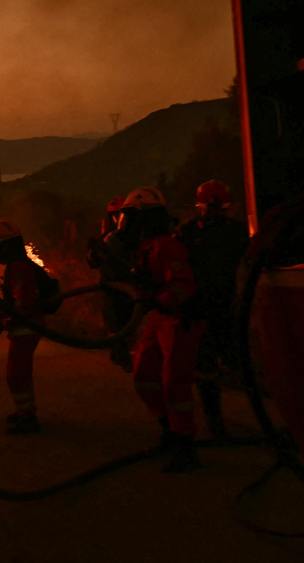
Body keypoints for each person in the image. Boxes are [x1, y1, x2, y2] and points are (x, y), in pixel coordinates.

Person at [118, 186, 204, 473]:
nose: (125, 224)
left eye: (129, 217)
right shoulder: (147, 246)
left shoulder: (167, 246)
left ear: (143, 217)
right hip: (160, 317)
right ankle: (169, 430)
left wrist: (159, 301)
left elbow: (184, 286)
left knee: (174, 383)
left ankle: (185, 446)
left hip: (180, 319)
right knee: (143, 373)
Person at [176, 180, 250, 440]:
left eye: (219, 209)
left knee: (231, 362)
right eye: (212, 208)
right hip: (201, 308)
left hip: (225, 307)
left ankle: (228, 413)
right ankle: (216, 422)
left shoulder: (236, 231)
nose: (215, 213)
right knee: (206, 367)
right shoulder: (188, 232)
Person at [0, 219, 45, 435]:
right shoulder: (14, 265)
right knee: (18, 373)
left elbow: (23, 303)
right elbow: (9, 301)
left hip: (26, 327)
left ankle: (28, 419)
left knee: (16, 374)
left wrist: (5, 321)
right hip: (25, 325)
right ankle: (24, 412)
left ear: (6, 246)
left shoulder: (19, 267)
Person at [87, 197, 135, 372]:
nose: (119, 219)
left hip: (130, 287)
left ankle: (124, 353)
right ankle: (120, 353)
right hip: (111, 287)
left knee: (129, 320)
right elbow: (94, 263)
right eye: (115, 215)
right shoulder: (107, 238)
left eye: (121, 215)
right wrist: (92, 252)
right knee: (114, 320)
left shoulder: (134, 237)